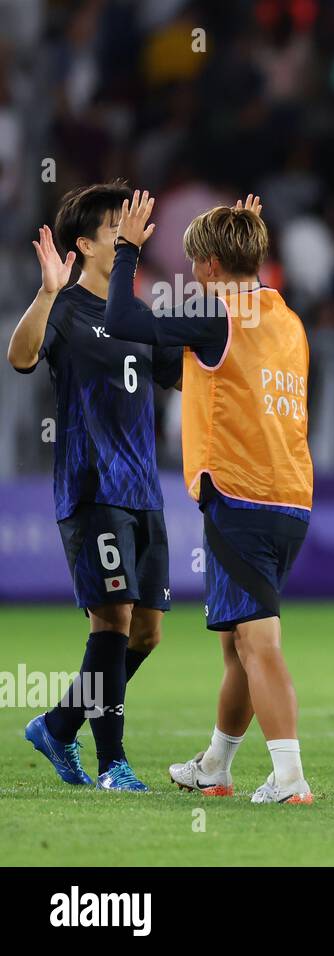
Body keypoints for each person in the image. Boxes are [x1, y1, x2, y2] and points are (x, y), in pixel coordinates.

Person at [105, 190, 317, 804]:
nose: (193, 272)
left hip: (240, 496)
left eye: (199, 261)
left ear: (212, 267)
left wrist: (125, 250)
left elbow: (123, 319)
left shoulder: (217, 312)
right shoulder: (284, 318)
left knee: (257, 642)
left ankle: (290, 778)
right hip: (290, 497)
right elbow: (193, 368)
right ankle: (217, 766)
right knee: (237, 644)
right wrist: (244, 232)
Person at [9, 182, 179, 792]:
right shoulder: (66, 308)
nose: (128, 237)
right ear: (83, 244)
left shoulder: (136, 317)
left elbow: (188, 376)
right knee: (111, 620)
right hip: (90, 484)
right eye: (116, 229)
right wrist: (46, 291)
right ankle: (114, 764)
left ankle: (58, 725)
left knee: (147, 631)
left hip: (144, 491)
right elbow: (20, 358)